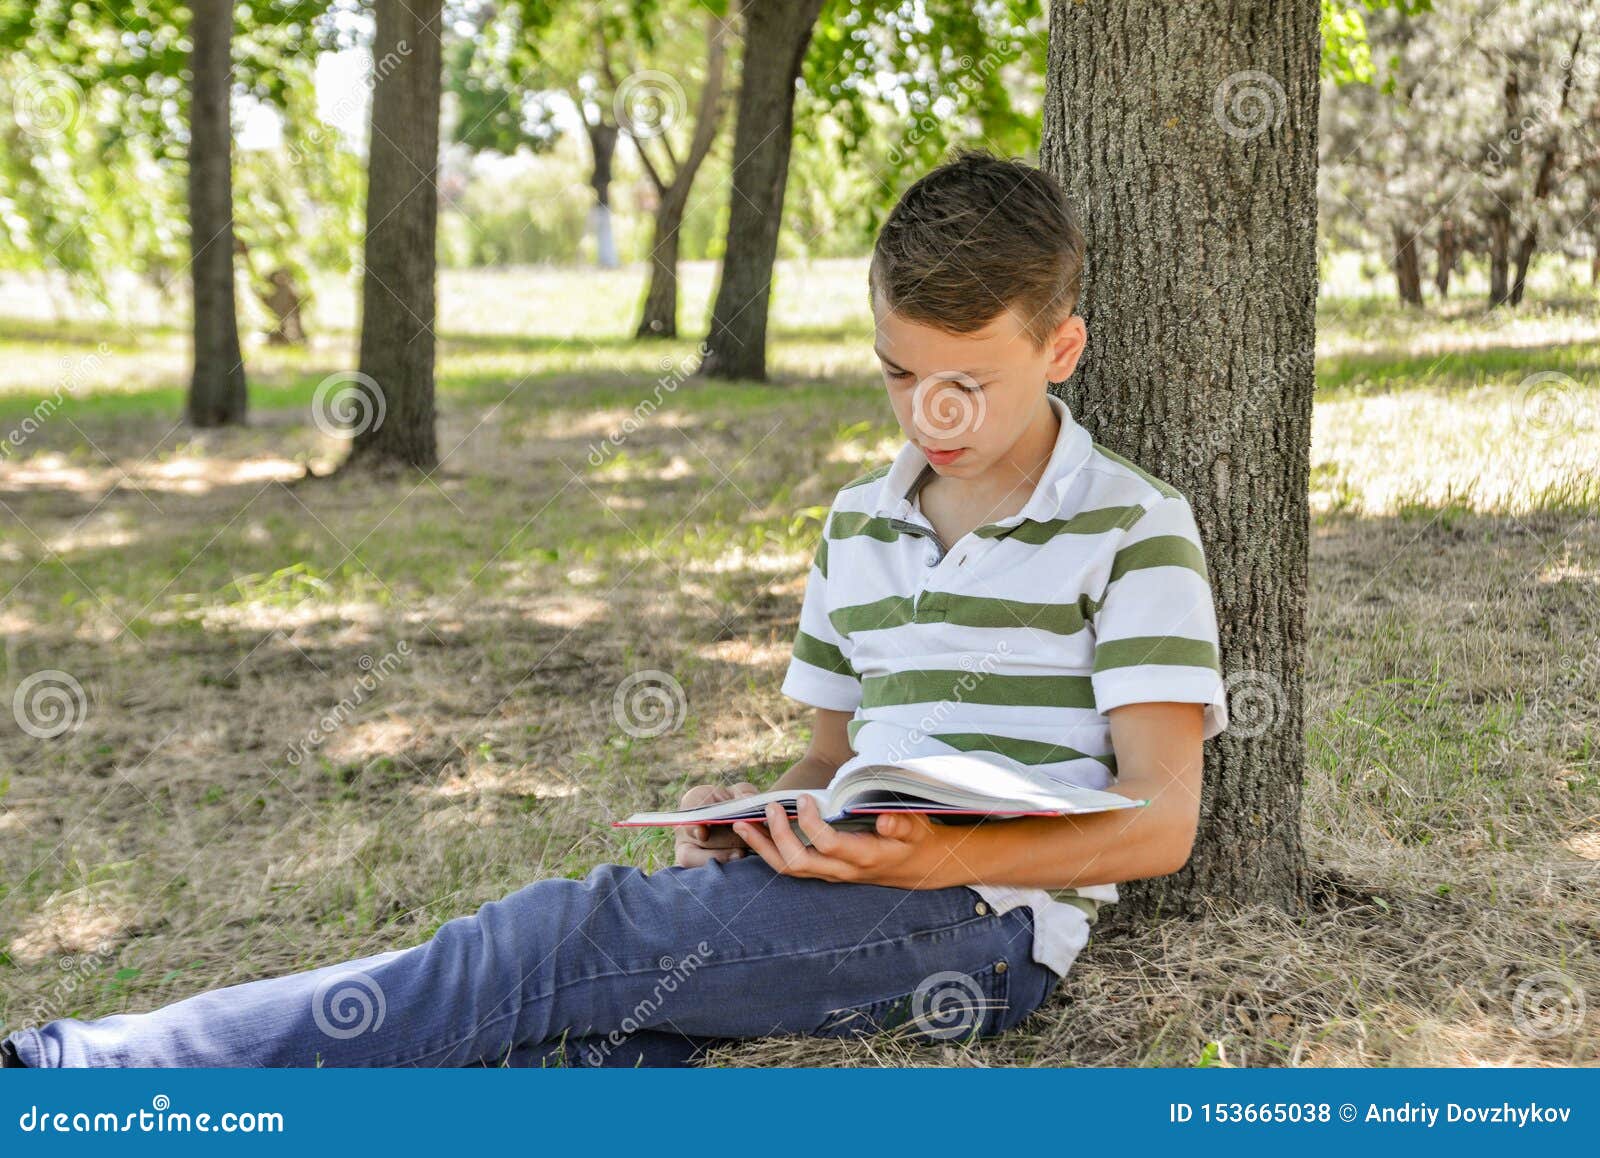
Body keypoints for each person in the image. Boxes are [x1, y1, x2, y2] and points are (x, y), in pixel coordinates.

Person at [1, 150, 1228, 1068]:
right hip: (852, 881)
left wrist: (939, 858)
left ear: (1060, 348)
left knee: (559, 939)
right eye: (900, 375)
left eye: (970, 383)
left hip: (984, 929)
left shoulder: (1133, 526)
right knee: (572, 1053)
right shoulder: (863, 517)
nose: (929, 418)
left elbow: (1157, 825)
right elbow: (831, 757)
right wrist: (764, 820)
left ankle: (86, 1072)